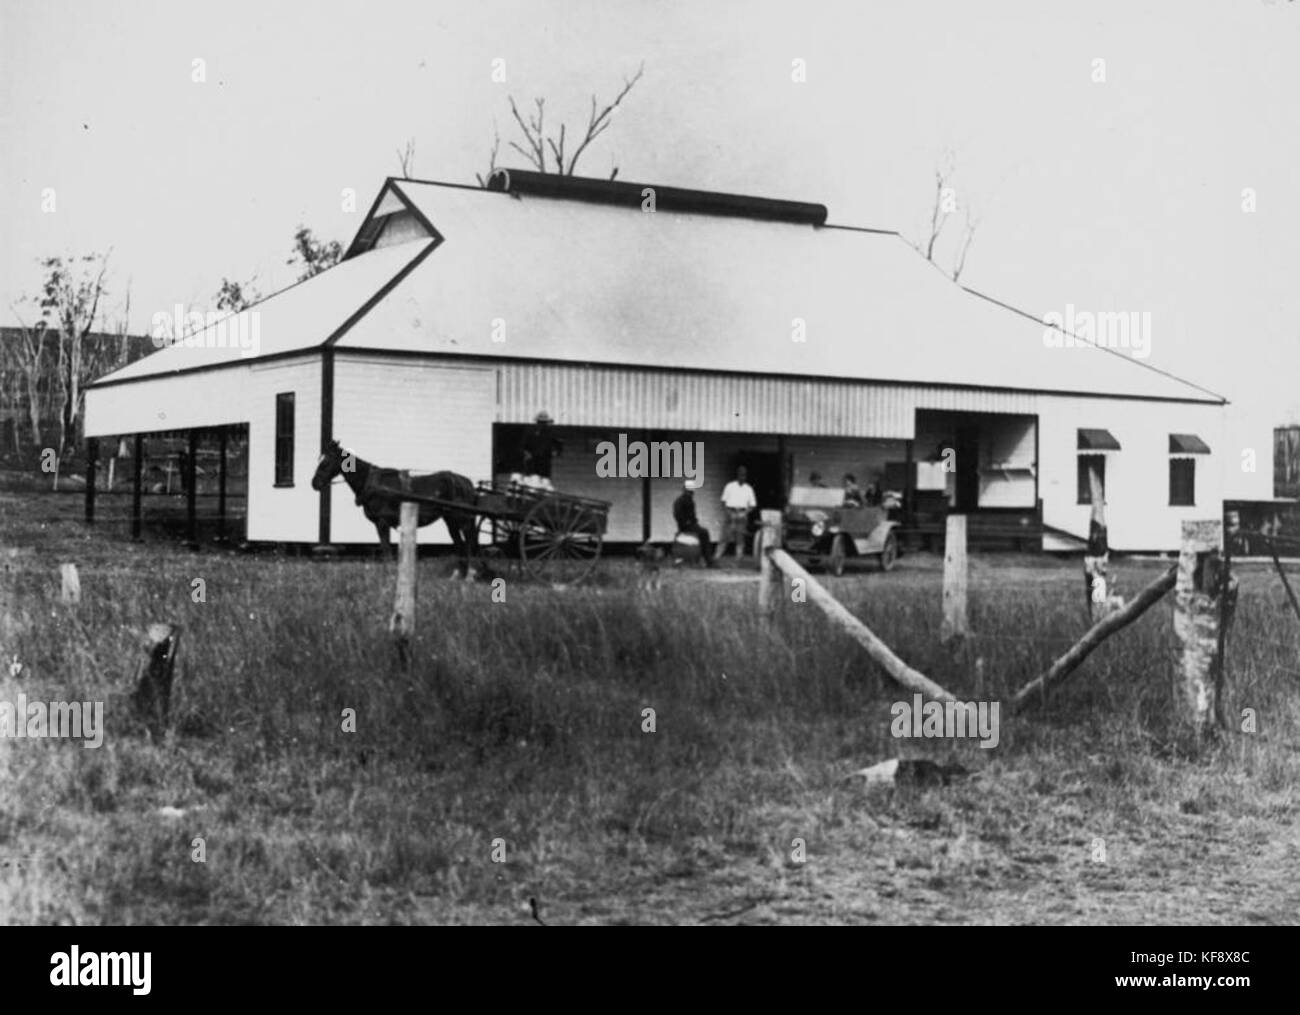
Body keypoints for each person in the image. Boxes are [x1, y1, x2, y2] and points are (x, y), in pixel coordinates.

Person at [512, 410, 563, 491]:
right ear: (537, 422)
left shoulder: (551, 433)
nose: (542, 424)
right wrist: (526, 453)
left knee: (545, 483)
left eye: (544, 422)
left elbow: (558, 444)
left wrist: (556, 452)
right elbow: (522, 445)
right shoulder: (530, 432)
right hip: (532, 463)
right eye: (540, 422)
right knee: (533, 483)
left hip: (545, 463)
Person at [672, 479, 715, 567]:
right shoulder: (679, 501)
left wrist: (694, 522)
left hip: (691, 524)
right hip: (685, 526)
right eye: (689, 491)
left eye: (691, 492)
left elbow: (693, 516)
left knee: (703, 532)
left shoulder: (691, 501)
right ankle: (708, 560)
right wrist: (686, 523)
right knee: (704, 533)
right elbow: (678, 515)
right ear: (684, 490)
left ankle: (706, 558)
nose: (690, 493)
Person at [719, 465, 757, 560]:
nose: (742, 477)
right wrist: (728, 512)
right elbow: (723, 501)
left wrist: (745, 513)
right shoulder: (729, 486)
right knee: (724, 536)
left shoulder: (748, 489)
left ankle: (738, 558)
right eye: (740, 475)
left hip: (742, 513)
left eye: (744, 475)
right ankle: (717, 556)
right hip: (730, 512)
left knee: (740, 538)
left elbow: (753, 505)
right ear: (737, 475)